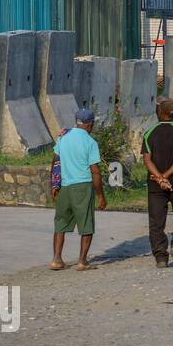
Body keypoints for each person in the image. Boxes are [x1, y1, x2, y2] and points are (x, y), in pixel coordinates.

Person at [49, 107, 106, 272]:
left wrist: (54, 184)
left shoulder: (63, 137)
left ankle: (56, 259)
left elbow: (55, 161)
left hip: (65, 187)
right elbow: (95, 170)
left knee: (60, 224)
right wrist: (100, 195)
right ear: (90, 124)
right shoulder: (90, 142)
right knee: (86, 225)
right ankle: (82, 261)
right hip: (83, 187)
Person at [142, 97, 173, 268]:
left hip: (155, 183)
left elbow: (147, 160)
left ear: (161, 112)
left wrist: (159, 177)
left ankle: (160, 258)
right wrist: (167, 175)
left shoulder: (149, 133)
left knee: (156, 221)